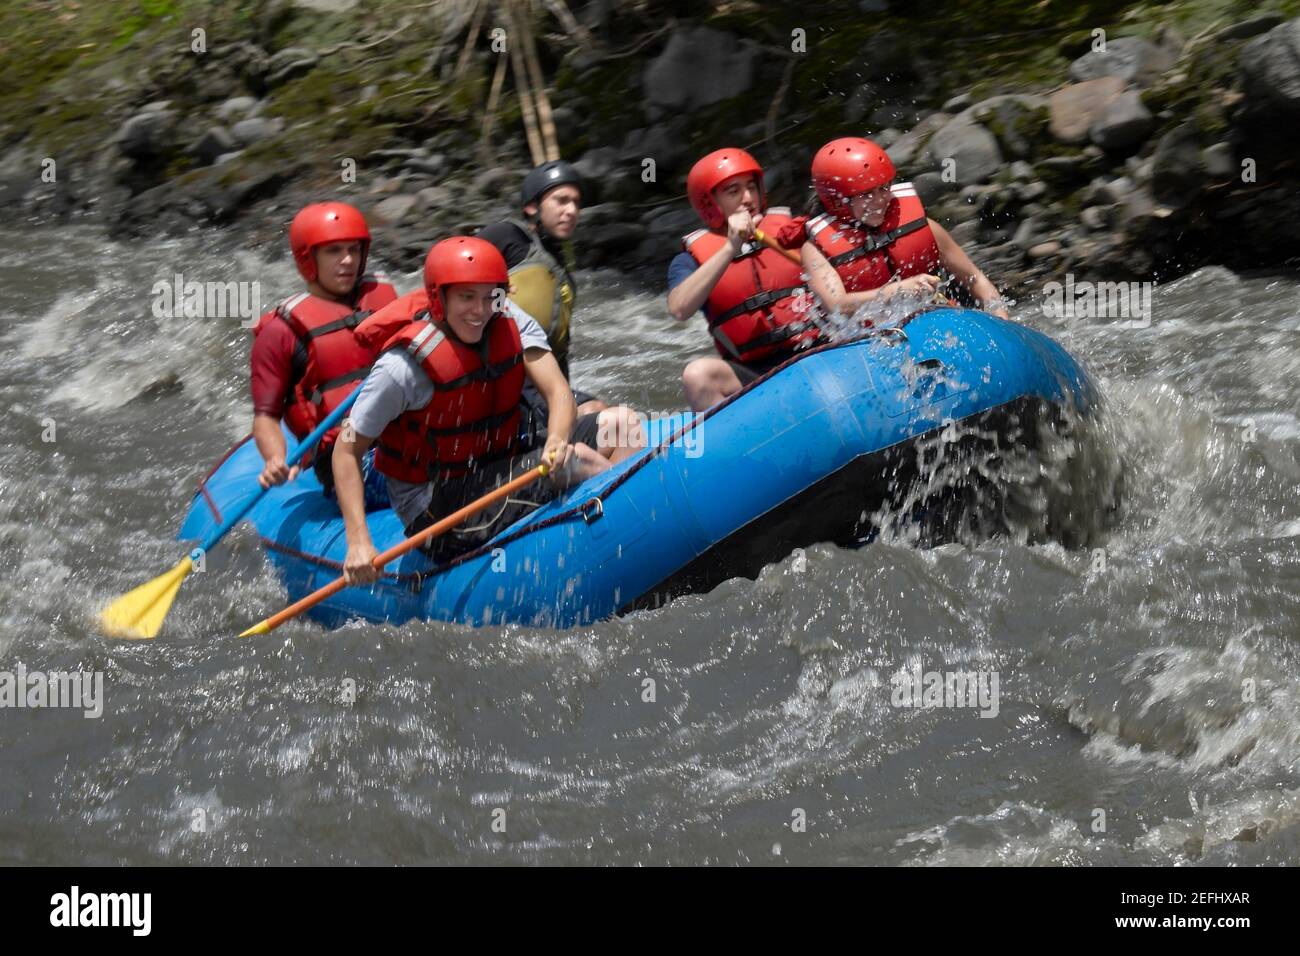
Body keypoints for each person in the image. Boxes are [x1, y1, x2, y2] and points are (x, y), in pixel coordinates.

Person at [333, 237, 644, 584]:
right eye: (466, 296)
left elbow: (558, 393)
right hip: (436, 506)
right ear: (439, 297)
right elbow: (346, 449)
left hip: (497, 461)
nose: (480, 311)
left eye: (489, 296)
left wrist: (556, 439)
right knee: (579, 460)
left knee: (622, 424)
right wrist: (358, 541)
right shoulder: (401, 368)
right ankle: (639, 533)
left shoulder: (509, 320)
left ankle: (618, 537)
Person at [249, 202, 396, 501]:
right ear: (307, 258)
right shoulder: (281, 333)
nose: (347, 260)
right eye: (334, 251)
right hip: (351, 458)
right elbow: (266, 416)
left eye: (354, 250)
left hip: (408, 437)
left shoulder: (386, 300)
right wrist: (275, 459)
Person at [666, 148, 820, 412]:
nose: (748, 198)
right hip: (755, 376)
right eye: (733, 191)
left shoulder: (794, 231)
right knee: (697, 375)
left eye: (751, 187)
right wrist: (730, 246)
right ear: (709, 202)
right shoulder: (690, 260)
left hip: (819, 353)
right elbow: (680, 308)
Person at [799, 136, 1009, 320]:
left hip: (943, 319)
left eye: (883, 188)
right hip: (870, 342)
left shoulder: (923, 226)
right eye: (865, 194)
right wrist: (900, 289)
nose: (880, 200)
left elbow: (976, 279)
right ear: (837, 202)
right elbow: (837, 305)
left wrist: (1002, 320)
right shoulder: (815, 251)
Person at [478, 160, 607, 445]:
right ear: (532, 207)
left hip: (538, 386)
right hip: (501, 385)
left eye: (576, 203)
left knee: (602, 414)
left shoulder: (561, 268)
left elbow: (559, 352)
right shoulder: (505, 237)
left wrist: (562, 401)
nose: (571, 211)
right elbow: (451, 272)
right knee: (599, 414)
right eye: (561, 201)